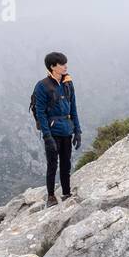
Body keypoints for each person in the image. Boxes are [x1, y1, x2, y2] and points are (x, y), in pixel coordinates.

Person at [32, 51, 82, 207]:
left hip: (67, 129)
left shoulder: (68, 82)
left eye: (65, 63)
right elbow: (40, 112)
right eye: (62, 64)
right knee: (52, 164)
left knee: (66, 163)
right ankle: (51, 196)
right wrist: (47, 137)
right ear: (53, 67)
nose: (66, 66)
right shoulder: (42, 86)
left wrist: (77, 131)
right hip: (53, 132)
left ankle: (66, 193)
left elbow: (73, 107)